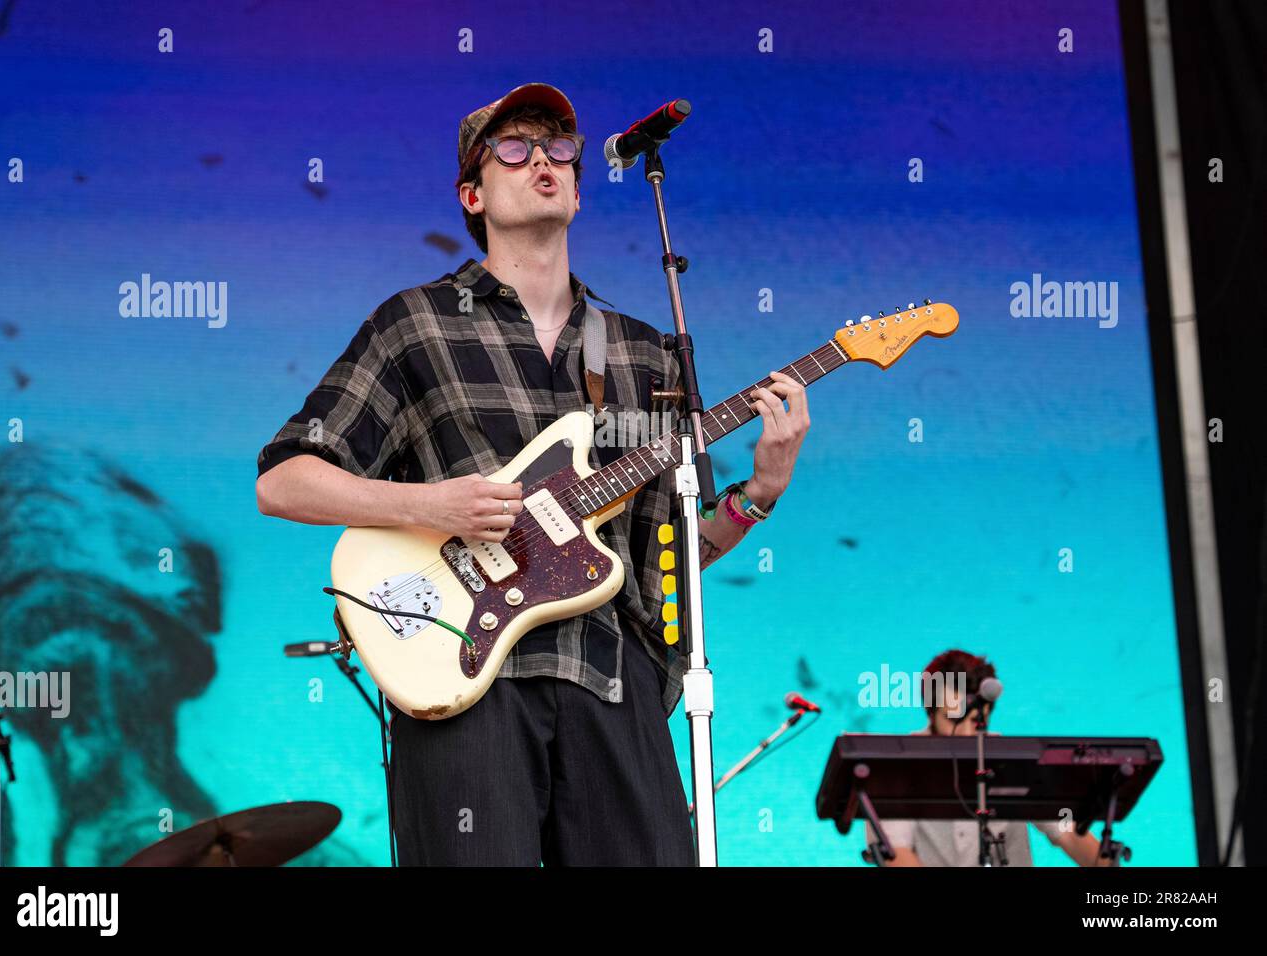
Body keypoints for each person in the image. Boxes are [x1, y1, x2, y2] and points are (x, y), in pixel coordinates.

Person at [255, 83, 811, 865]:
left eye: (558, 148)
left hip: (614, 678)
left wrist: (758, 495)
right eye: (514, 147)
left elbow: (672, 561)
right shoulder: (415, 324)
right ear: (472, 194)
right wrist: (428, 504)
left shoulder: (646, 354)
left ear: (580, 191)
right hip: (466, 677)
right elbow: (283, 480)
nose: (541, 160)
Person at [870, 649, 1117, 867]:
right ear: (931, 712)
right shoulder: (899, 768)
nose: (967, 733)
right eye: (953, 720)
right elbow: (896, 853)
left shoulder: (1015, 760)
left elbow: (1066, 828)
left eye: (976, 721)